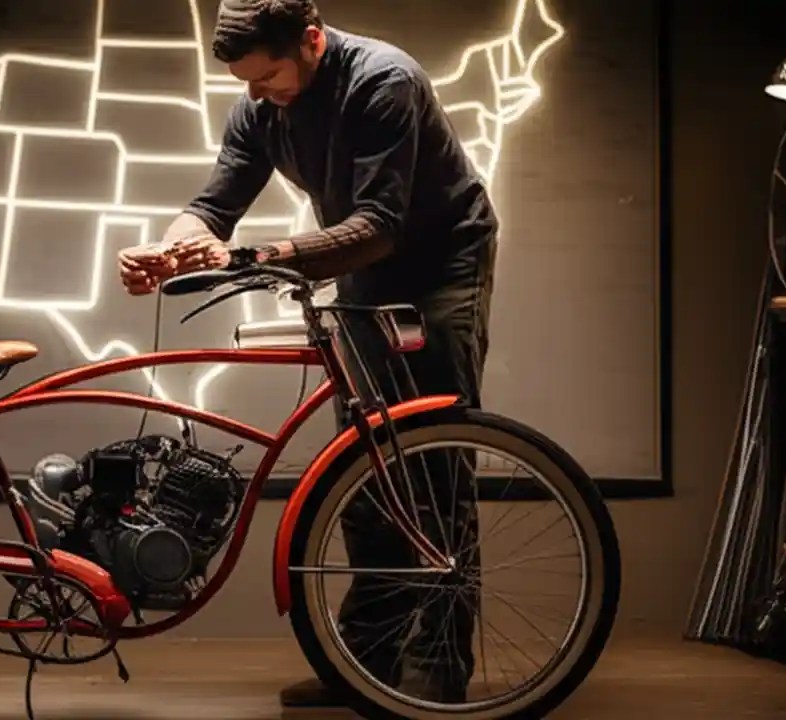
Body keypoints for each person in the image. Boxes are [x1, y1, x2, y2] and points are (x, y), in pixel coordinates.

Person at [118, 0, 497, 708]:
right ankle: (364, 666)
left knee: (433, 462)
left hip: (441, 261)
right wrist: (166, 250)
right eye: (249, 84)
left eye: (268, 78)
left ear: (313, 40)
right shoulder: (260, 105)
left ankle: (441, 667)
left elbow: (380, 225)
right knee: (360, 468)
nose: (257, 95)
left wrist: (257, 255)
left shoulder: (385, 82)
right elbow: (215, 202)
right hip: (359, 261)